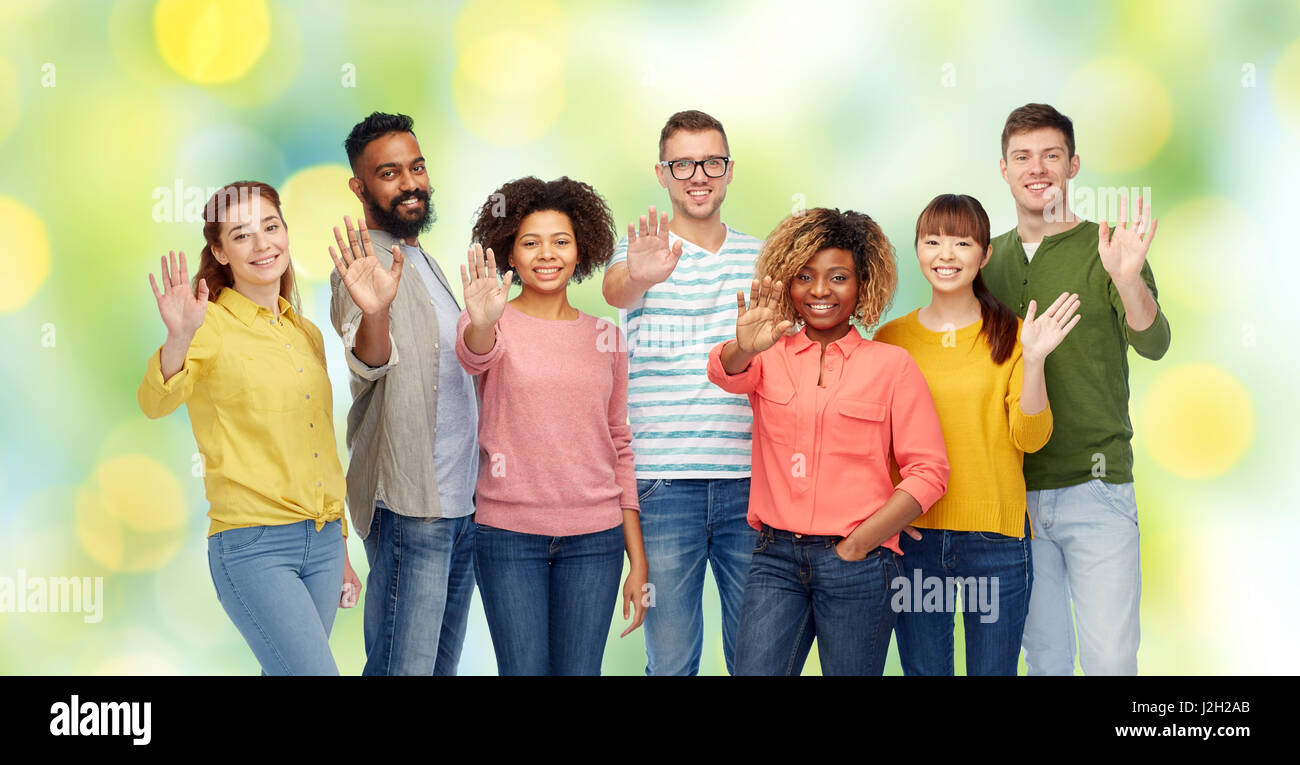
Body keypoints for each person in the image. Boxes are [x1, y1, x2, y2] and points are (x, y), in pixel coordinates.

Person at [706, 208, 950, 676]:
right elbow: (724, 372)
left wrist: (860, 543)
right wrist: (744, 346)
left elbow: (930, 472)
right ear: (788, 283)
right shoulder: (766, 354)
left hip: (859, 565)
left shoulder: (891, 365)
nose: (820, 291)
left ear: (862, 285)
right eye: (805, 277)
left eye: (838, 277)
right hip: (774, 559)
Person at [138, 180, 366, 675]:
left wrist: (342, 547)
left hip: (324, 543)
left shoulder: (304, 332)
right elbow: (155, 402)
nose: (263, 244)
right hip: (255, 545)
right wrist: (178, 338)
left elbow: (319, 446)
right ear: (219, 251)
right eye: (241, 235)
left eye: (271, 227)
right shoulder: (207, 325)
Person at [981, 103, 1170, 675]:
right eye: (1023, 157)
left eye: (1051, 156)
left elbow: (1154, 341)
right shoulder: (987, 261)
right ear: (1004, 169)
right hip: (1016, 496)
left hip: (1098, 486)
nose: (1037, 168)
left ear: (1073, 165)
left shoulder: (1111, 248)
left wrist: (1128, 279)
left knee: (1111, 660)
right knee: (1045, 659)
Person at [875, 193, 1079, 675]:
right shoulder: (889, 341)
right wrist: (887, 513)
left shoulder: (1013, 335)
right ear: (918, 250)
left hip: (997, 539)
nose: (946, 255)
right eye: (933, 241)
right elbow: (873, 446)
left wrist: (1034, 360)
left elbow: (1030, 437)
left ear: (985, 255)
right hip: (915, 538)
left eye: (962, 242)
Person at [455, 176, 648, 675]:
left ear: (580, 249)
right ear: (510, 255)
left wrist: (637, 557)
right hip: (507, 536)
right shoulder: (488, 321)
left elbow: (619, 444)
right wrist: (480, 321)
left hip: (595, 539)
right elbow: (474, 358)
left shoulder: (606, 337)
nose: (547, 254)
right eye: (531, 242)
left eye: (561, 241)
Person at [601, 110, 761, 675]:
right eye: (683, 163)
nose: (699, 174)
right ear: (662, 173)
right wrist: (642, 274)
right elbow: (616, 291)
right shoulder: (639, 254)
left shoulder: (761, 257)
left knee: (758, 658)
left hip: (751, 483)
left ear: (729, 169)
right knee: (670, 662)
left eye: (711, 161)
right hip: (664, 483)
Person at [329, 112, 479, 675]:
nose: (410, 182)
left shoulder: (423, 260)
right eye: (389, 173)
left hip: (460, 507)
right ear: (360, 187)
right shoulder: (360, 265)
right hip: (410, 506)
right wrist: (376, 312)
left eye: (417, 167)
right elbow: (368, 359)